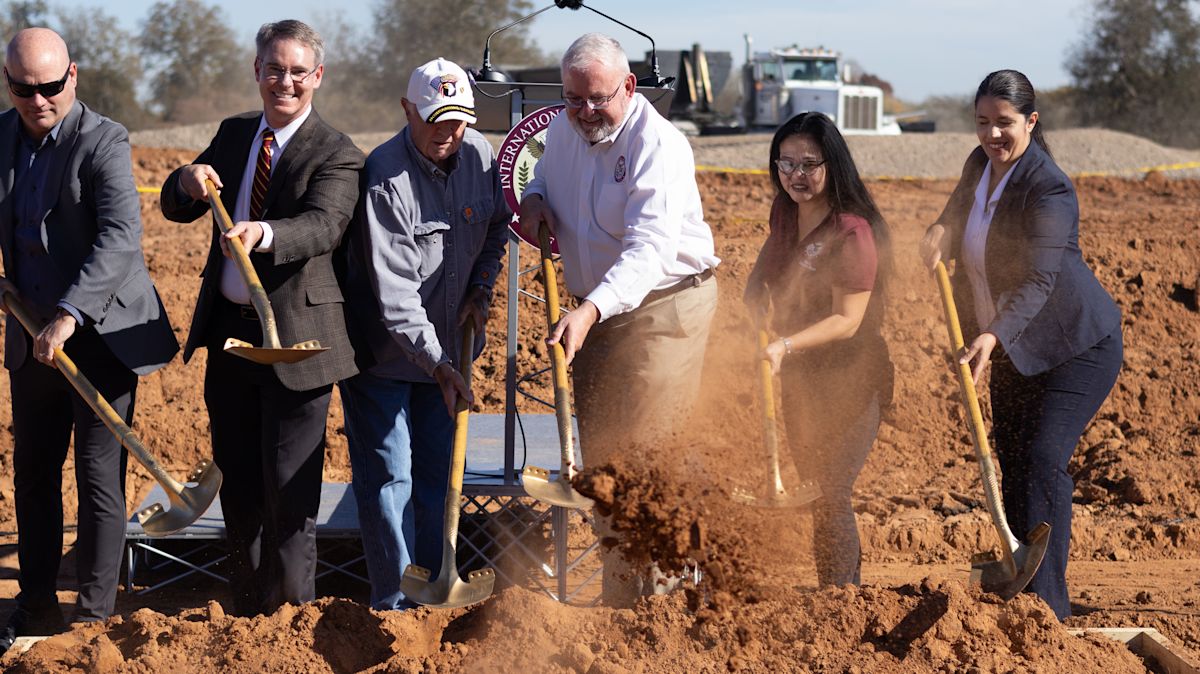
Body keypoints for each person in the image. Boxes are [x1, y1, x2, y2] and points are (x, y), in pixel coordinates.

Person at [160, 19, 363, 617]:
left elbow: (324, 225)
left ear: (318, 76)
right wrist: (186, 180)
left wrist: (264, 233)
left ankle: (292, 621)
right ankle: (246, 613)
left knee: (290, 494)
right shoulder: (233, 133)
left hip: (297, 343)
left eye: (298, 72)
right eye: (274, 69)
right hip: (230, 337)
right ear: (257, 71)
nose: (285, 82)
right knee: (240, 486)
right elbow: (176, 205)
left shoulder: (337, 152)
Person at [517, 32, 720, 605]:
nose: (584, 112)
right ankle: (620, 602)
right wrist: (535, 198)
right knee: (604, 460)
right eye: (572, 99)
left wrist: (589, 310)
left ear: (629, 87)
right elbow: (543, 177)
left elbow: (649, 249)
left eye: (597, 99)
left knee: (648, 457)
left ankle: (662, 608)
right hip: (598, 310)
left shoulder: (659, 144)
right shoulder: (564, 129)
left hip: (664, 306)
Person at [919, 70, 1122, 619]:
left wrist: (990, 335)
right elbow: (958, 212)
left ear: (1031, 122)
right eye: (982, 122)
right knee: (1012, 460)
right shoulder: (979, 164)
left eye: (1004, 123)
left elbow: (1040, 279)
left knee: (1042, 459)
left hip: (1074, 346)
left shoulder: (1048, 188)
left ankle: (1048, 610)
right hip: (1012, 343)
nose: (992, 134)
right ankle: (1023, 584)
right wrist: (940, 229)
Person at [0, 28, 179, 650]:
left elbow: (119, 238)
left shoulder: (103, 139)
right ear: (8, 84)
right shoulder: (1, 136)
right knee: (33, 474)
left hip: (101, 334)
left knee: (98, 476)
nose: (38, 99)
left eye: (50, 86)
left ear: (72, 75)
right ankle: (36, 606)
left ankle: (94, 619)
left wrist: (70, 314)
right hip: (31, 333)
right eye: (24, 89)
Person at [338, 58, 508, 610]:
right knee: (392, 481)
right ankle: (394, 604)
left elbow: (497, 228)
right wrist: (439, 364)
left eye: (458, 120)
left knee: (439, 477)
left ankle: (436, 590)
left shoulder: (481, 157)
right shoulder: (385, 177)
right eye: (435, 119)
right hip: (387, 357)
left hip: (450, 354)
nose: (447, 132)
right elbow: (396, 296)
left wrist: (481, 288)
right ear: (408, 109)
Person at [743, 112, 894, 588]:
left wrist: (784, 344)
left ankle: (843, 598)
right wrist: (755, 290)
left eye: (810, 164)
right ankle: (836, 590)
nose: (797, 175)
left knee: (831, 489)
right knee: (815, 490)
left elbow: (847, 320)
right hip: (801, 375)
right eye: (786, 163)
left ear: (833, 165)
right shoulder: (785, 211)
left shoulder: (852, 231)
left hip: (853, 379)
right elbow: (773, 253)